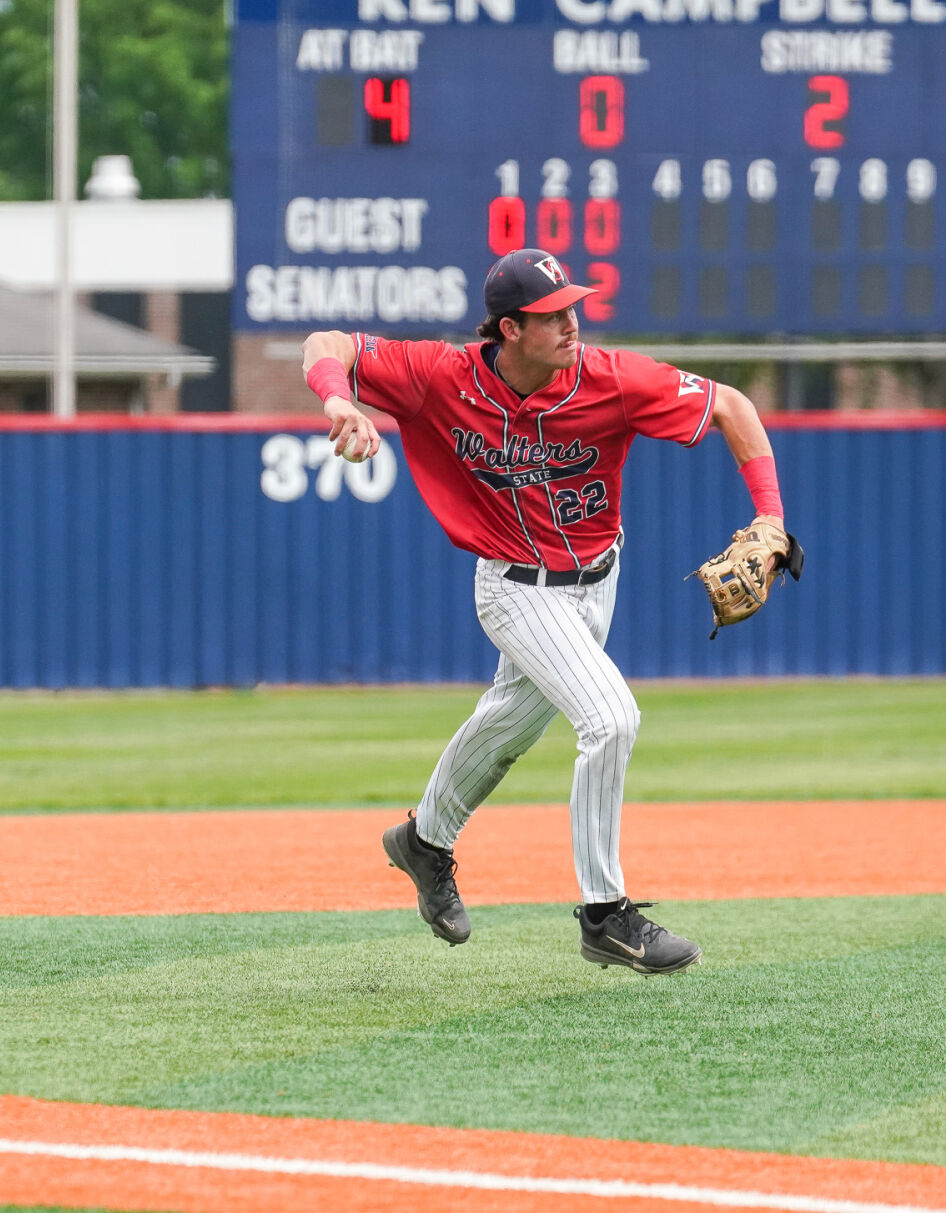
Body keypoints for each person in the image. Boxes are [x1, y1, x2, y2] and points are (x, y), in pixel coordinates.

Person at [300, 248, 790, 974]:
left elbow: (731, 407)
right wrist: (338, 398)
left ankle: (424, 842)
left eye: (573, 307)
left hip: (599, 579)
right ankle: (606, 914)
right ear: (508, 329)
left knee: (506, 725)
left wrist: (771, 518)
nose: (571, 324)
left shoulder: (613, 380)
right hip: (514, 586)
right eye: (551, 316)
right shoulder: (441, 376)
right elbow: (327, 345)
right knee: (610, 717)